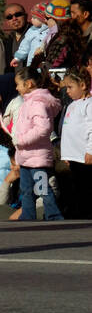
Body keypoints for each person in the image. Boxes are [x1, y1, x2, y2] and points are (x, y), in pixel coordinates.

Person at [10, 65, 64, 220]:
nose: (16, 87)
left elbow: (43, 129)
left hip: (37, 158)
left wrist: (21, 140)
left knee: (43, 188)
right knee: (26, 189)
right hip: (27, 156)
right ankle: (28, 215)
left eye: (18, 84)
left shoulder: (38, 103)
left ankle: (54, 216)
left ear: (28, 84)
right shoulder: (28, 102)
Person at [58, 70, 92, 218]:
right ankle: (79, 215)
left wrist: (90, 150)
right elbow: (67, 131)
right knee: (76, 187)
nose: (68, 91)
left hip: (84, 156)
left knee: (86, 188)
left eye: (70, 87)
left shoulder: (89, 104)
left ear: (83, 85)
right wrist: (66, 153)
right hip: (73, 156)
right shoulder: (71, 105)